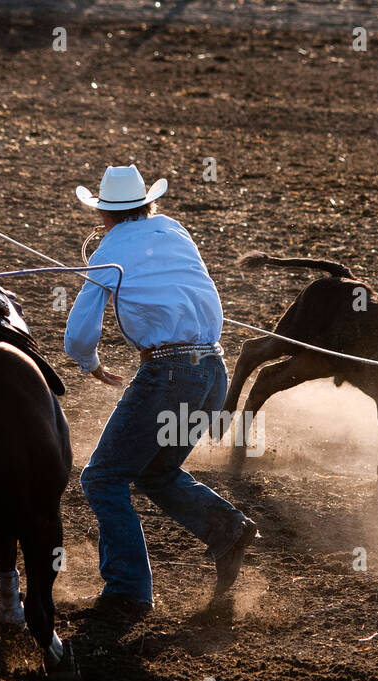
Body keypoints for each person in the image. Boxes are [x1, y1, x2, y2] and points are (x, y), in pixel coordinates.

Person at [66, 164, 257, 618]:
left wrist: (91, 365)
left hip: (169, 375)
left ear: (104, 215)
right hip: (213, 370)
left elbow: (78, 335)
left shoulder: (107, 251)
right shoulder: (175, 230)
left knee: (103, 478)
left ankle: (128, 590)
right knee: (155, 472)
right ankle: (226, 527)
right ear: (148, 204)